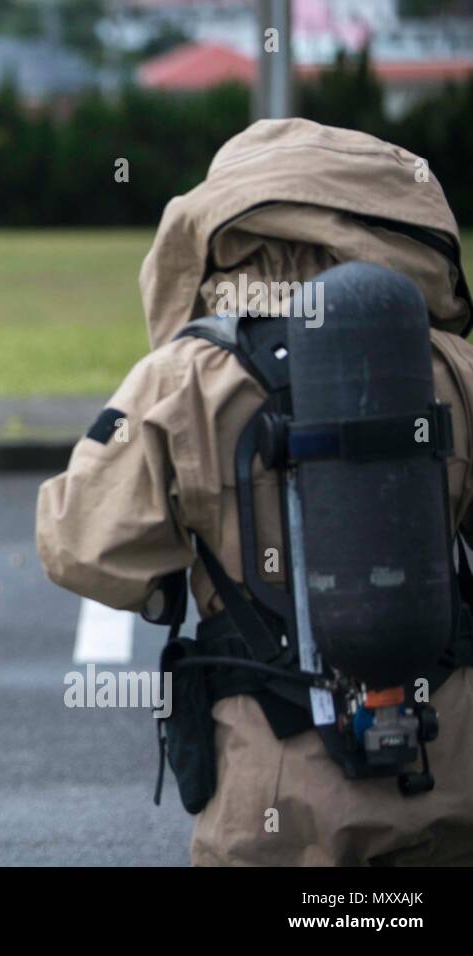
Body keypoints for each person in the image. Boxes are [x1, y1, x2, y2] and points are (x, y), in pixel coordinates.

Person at [36, 118, 473, 865]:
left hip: (275, 789)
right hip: (451, 771)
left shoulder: (188, 373)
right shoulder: (455, 366)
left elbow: (84, 547)